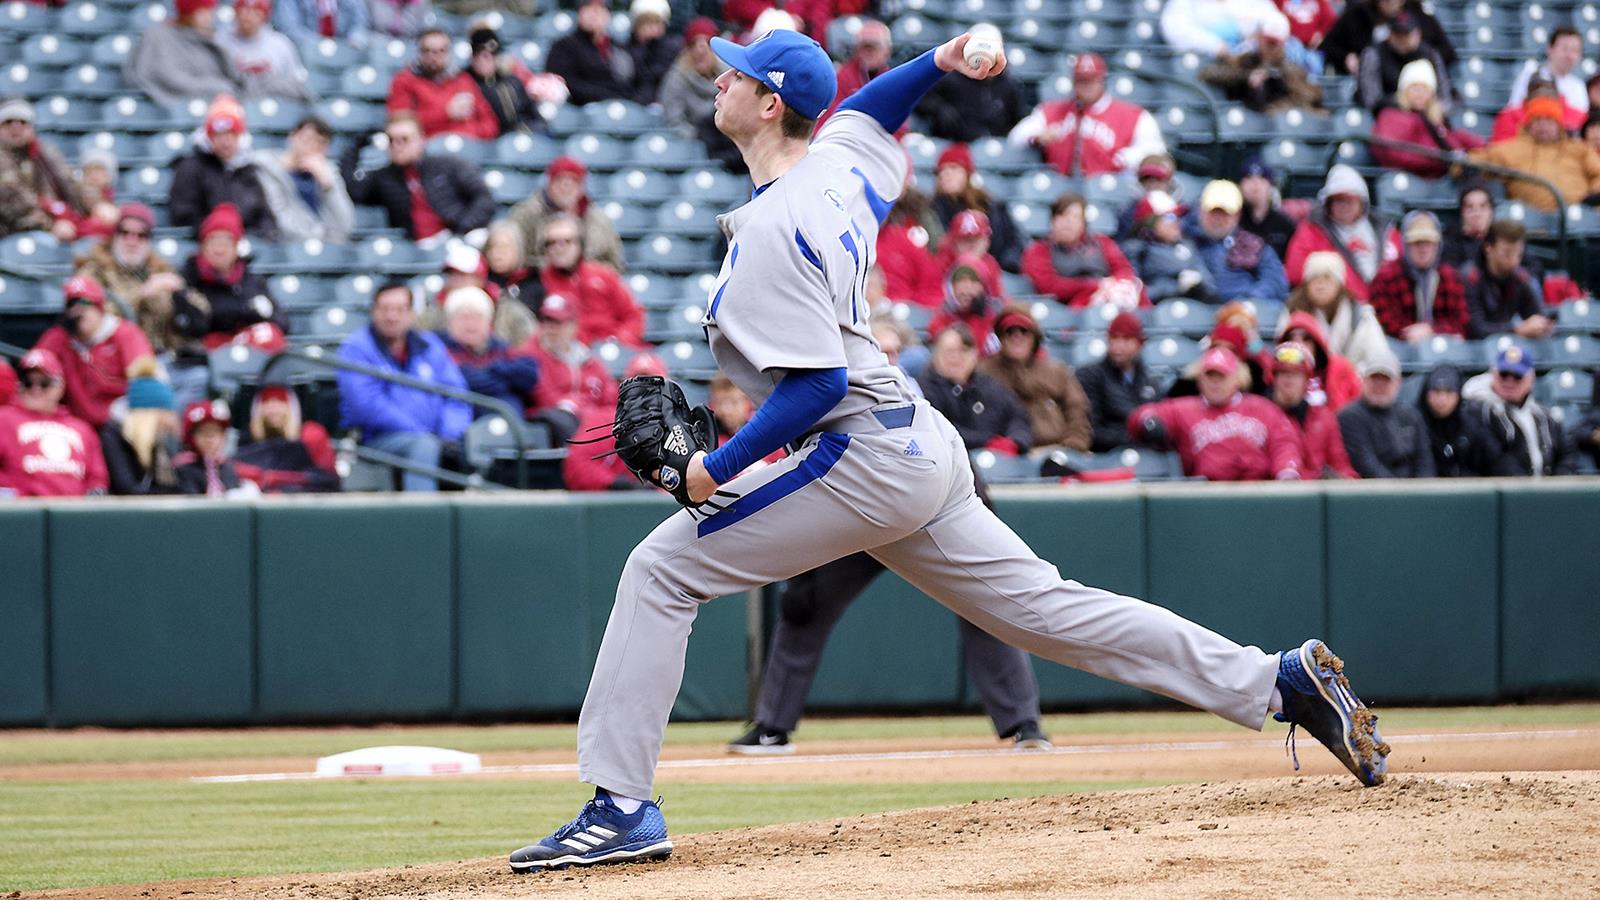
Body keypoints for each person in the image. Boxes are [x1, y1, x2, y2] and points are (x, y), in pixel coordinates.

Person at [508, 29, 1390, 873]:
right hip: (913, 439)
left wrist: (712, 468)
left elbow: (812, 388)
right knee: (1046, 611)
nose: (721, 79)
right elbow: (870, 108)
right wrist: (943, 58)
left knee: (660, 571)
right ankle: (1277, 684)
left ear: (771, 105)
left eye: (738, 74)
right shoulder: (837, 167)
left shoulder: (778, 225)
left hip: (858, 450)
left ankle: (619, 808)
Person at [337, 280, 471, 491]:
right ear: (373, 311)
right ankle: (422, 520)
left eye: (399, 310)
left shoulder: (429, 345)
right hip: (378, 441)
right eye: (385, 309)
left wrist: (449, 434)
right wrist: (422, 434)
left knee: (475, 445)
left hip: (438, 437)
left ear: (410, 313)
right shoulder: (357, 348)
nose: (392, 317)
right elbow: (367, 405)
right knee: (423, 446)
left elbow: (456, 394)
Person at [1129, 346, 1303, 480]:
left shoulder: (1262, 408)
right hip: (1208, 496)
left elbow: (1284, 443)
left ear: (1236, 379)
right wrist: (1147, 420)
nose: (1215, 383)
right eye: (1210, 376)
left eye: (1221, 376)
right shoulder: (1184, 409)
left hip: (1258, 491)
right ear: (1200, 380)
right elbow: (1144, 414)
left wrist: (1286, 471)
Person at [342, 111, 497, 241]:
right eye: (391, 140)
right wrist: (358, 144)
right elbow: (354, 189)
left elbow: (484, 199)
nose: (397, 146)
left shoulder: (447, 165)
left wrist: (462, 229)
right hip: (415, 249)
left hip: (457, 238)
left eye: (404, 139)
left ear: (421, 139)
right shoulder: (385, 177)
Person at [1007, 52, 1167, 177]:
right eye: (1081, 80)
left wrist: (1126, 157)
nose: (1085, 86)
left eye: (1091, 80)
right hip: (1062, 187)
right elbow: (1015, 138)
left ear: (1102, 80)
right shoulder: (1051, 111)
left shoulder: (1133, 115)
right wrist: (1038, 136)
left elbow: (1157, 151)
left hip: (1111, 188)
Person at [31, 275, 156, 430]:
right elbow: (32, 370)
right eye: (72, 304)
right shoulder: (59, 339)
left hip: (118, 422)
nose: (79, 310)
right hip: (75, 424)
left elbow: (147, 382)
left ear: (99, 308)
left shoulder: (124, 333)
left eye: (85, 303)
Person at [173, 203, 284, 351]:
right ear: (202, 246)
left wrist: (266, 313)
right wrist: (248, 311)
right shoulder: (189, 277)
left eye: (226, 242)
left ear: (237, 247)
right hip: (208, 355)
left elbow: (283, 323)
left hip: (253, 351)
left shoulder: (252, 280)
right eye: (212, 241)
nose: (219, 249)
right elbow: (200, 323)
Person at [979, 306, 1092, 452]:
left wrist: (1075, 442)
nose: (1017, 337)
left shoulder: (1056, 370)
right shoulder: (985, 372)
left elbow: (1077, 408)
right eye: (1009, 331)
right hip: (1008, 451)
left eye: (1024, 331)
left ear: (1034, 338)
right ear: (1001, 338)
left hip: (1058, 447)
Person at [0, 349, 109, 498]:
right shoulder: (4, 419)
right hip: (21, 514)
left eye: (44, 383)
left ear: (60, 387)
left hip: (72, 514)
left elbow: (97, 479)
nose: (35, 389)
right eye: (27, 382)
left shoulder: (82, 429)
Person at [1283, 164, 1399, 300]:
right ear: (1328, 204)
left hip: (1386, 307)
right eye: (1338, 200)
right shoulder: (1311, 230)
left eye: (1350, 200)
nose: (1344, 206)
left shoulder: (1385, 230)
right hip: (1335, 306)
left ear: (1362, 202)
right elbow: (1295, 272)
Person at [169, 99, 279, 241]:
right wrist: (215, 230)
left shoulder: (247, 169)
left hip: (244, 242)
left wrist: (266, 233)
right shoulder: (191, 167)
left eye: (230, 134)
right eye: (218, 134)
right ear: (209, 137)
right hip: (207, 242)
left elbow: (263, 212)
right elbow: (183, 214)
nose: (225, 141)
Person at [1461, 345, 1578, 477]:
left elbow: (1567, 452)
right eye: (1504, 374)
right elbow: (1496, 459)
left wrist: (1561, 481)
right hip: (1506, 491)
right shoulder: (1480, 412)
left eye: (1517, 376)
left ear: (1531, 380)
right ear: (1493, 375)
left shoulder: (1542, 416)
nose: (1509, 381)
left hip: (1547, 492)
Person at [1467, 96, 1600, 212]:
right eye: (1537, 119)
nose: (1543, 125)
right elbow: (1476, 160)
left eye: (1549, 119)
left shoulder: (1578, 149)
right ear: (1529, 124)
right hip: (1530, 220)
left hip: (1579, 214)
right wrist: (1462, 166)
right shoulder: (1509, 149)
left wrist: (1592, 198)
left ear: (1558, 124)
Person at [918, 324, 1032, 455]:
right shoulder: (926, 389)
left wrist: (1015, 442)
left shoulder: (988, 383)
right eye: (949, 351)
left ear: (975, 354)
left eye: (963, 350)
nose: (956, 357)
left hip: (998, 460)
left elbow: (1018, 416)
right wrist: (988, 442)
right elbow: (941, 429)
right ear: (936, 354)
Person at [563, 352, 668, 491]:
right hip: (611, 504)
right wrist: (618, 483)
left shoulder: (676, 425)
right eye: (637, 382)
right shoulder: (604, 420)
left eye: (651, 382)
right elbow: (577, 465)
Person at [539, 214, 645, 347]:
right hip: (566, 353)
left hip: (612, 349)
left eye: (566, 241)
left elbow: (633, 316)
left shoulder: (604, 275)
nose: (559, 248)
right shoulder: (538, 282)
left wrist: (620, 340)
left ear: (580, 244)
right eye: (551, 243)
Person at [1022, 192, 1142, 308]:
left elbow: (1124, 269)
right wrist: (1095, 285)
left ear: (1083, 224)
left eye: (1075, 217)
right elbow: (1049, 285)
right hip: (1064, 308)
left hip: (1108, 299)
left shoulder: (1102, 242)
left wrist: (1113, 284)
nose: (1068, 222)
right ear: (1052, 221)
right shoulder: (1038, 250)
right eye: (1063, 215)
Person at [508, 155, 626, 273]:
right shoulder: (527, 215)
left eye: (573, 182)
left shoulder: (598, 220)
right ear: (549, 184)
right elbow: (513, 258)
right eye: (560, 181)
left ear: (581, 187)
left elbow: (615, 264)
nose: (565, 187)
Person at [0, 98, 96, 241]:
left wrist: (97, 205)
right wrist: (51, 225)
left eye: (22, 122)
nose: (16, 127)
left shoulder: (44, 152)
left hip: (51, 224)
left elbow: (71, 182)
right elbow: (14, 202)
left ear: (32, 127)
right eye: (8, 122)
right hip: (12, 233)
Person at [437, 285, 541, 415]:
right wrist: (506, 381)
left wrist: (492, 370)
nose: (471, 324)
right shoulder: (439, 349)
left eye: (477, 317)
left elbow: (529, 374)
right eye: (463, 317)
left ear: (489, 323)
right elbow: (461, 380)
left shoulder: (500, 347)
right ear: (450, 323)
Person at [1371, 59, 1485, 179]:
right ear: (1403, 91)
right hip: (1410, 179)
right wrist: (1441, 159)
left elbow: (1452, 138)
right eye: (1414, 88)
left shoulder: (1432, 118)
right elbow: (1394, 152)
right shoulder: (1392, 115)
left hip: (1437, 177)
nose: (1420, 93)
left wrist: (1481, 148)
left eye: (1425, 88)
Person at [251, 115, 355, 244]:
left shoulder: (327, 173)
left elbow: (346, 226)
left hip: (327, 251)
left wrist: (329, 186)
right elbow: (280, 218)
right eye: (307, 140)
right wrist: (318, 238)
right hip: (286, 248)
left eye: (320, 144)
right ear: (293, 136)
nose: (311, 147)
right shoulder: (267, 169)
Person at [526, 293, 615, 443]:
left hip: (589, 424)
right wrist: (581, 408)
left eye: (558, 323)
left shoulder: (588, 360)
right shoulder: (530, 356)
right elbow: (547, 399)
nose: (551, 329)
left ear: (573, 325)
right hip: (552, 431)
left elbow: (610, 398)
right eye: (547, 321)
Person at [1368, 211, 1469, 342]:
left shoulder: (1451, 277)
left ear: (1438, 245)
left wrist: (1431, 330)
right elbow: (1384, 321)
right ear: (1405, 244)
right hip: (1398, 350)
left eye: (1428, 242)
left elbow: (1461, 323)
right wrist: (1412, 333)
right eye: (1416, 242)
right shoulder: (1386, 276)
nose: (1423, 249)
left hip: (1445, 353)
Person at [1276, 251, 1387, 371]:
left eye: (1327, 278)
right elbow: (1282, 353)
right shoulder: (1293, 309)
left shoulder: (1360, 314)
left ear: (1339, 284)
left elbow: (1378, 355)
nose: (1320, 285)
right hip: (1303, 378)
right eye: (1315, 278)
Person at [387, 28, 500, 140]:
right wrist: (446, 113)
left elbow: (490, 122)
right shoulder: (405, 81)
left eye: (441, 51)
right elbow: (399, 125)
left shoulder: (462, 79)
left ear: (448, 52)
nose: (434, 56)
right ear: (419, 52)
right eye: (428, 50)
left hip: (467, 148)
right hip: (427, 149)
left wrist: (470, 136)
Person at [124, 0, 243, 107]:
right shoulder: (159, 35)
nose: (209, 18)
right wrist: (217, 87)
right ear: (188, 15)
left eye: (210, 13)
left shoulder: (208, 39)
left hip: (210, 100)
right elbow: (167, 76)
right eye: (202, 13)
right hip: (172, 104)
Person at [1189, 179, 1290, 303]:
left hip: (1242, 311)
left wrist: (1249, 301)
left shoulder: (1253, 245)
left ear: (1237, 215)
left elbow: (1275, 281)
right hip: (1195, 312)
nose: (1218, 219)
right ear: (1201, 211)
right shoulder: (1184, 240)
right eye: (1213, 212)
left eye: (1225, 214)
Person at [1266, 340, 1356, 478]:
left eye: (1296, 373)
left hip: (1314, 493)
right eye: (1282, 372)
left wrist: (1350, 483)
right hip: (1274, 492)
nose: (1288, 378)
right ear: (1274, 378)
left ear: (1306, 380)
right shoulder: (1261, 415)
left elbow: (1340, 462)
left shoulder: (1323, 417)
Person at [1335, 351, 1433, 478]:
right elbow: (1366, 464)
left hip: (1412, 490)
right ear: (1363, 380)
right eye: (1374, 378)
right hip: (1373, 493)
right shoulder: (1349, 416)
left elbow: (1424, 461)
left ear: (1398, 383)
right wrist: (1402, 494)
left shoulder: (1411, 415)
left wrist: (1423, 490)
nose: (1379, 385)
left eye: (1386, 379)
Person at [1201, 11, 1322, 113]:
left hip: (1276, 124)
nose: (1270, 47)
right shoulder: (1244, 60)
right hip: (1244, 120)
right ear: (1259, 38)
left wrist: (1283, 81)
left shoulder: (1293, 70)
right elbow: (1208, 73)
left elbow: (1312, 97)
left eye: (1275, 43)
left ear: (1284, 44)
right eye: (1267, 41)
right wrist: (1247, 77)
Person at [928, 145, 1022, 274]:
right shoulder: (931, 209)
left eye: (953, 168)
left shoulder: (992, 205)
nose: (946, 174)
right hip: (950, 273)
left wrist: (1002, 267)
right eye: (941, 171)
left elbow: (1014, 242)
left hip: (994, 271)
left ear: (968, 173)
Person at [100, 359, 185, 495]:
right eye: (165, 413)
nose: (169, 422)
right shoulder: (113, 435)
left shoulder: (158, 441)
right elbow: (126, 487)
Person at [235, 382, 340, 492]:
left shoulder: (311, 434)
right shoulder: (247, 440)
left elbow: (328, 478)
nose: (273, 408)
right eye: (266, 401)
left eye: (280, 400)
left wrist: (274, 478)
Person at [1079, 311, 1161, 451]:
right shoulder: (1091, 375)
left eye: (1126, 339)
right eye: (1114, 338)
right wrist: (1134, 437)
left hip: (1145, 453)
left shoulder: (1150, 379)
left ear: (1139, 344)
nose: (1119, 346)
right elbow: (1092, 430)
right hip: (1105, 455)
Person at [1459, 220, 1554, 341]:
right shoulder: (1469, 278)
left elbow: (1537, 315)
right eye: (1506, 253)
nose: (1514, 260)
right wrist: (1516, 330)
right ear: (1488, 248)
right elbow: (1475, 329)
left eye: (1518, 254)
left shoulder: (1520, 278)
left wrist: (1541, 326)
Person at [1123, 191, 1217, 304]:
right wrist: (1176, 287)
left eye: (1178, 217)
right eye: (1170, 217)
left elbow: (1211, 286)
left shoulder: (1187, 245)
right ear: (1150, 222)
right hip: (1156, 312)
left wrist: (1199, 282)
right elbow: (1134, 294)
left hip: (1194, 308)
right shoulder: (1137, 249)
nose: (1176, 222)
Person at [1321, 0, 1454, 78]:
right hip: (1371, 80)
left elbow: (1447, 52)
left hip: (1413, 82)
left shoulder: (1419, 16)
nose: (1389, 3)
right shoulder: (1357, 15)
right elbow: (1328, 45)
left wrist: (1419, 49)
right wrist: (1346, 56)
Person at [1355, 10, 1453, 114]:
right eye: (1398, 34)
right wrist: (1403, 102)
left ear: (1417, 34)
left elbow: (1445, 98)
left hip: (1427, 115)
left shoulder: (1430, 54)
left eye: (1406, 34)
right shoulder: (1374, 54)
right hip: (1388, 116)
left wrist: (1429, 107)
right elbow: (1371, 99)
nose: (1402, 39)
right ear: (1390, 34)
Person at [216, 0, 315, 102]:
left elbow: (296, 82)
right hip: (236, 103)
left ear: (264, 16)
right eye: (244, 10)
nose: (248, 16)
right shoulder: (220, 42)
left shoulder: (281, 44)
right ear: (235, 13)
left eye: (255, 12)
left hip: (275, 103)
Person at [546, 0, 637, 107]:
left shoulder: (618, 47)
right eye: (588, 9)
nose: (594, 14)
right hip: (579, 110)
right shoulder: (564, 46)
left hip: (617, 106)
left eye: (599, 10)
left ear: (607, 15)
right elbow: (565, 83)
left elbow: (631, 82)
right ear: (580, 13)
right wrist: (606, 95)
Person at [815, 19, 894, 132]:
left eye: (874, 47)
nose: (868, 53)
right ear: (857, 49)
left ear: (887, 51)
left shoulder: (892, 79)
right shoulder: (843, 76)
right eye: (864, 47)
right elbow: (831, 118)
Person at [1414, 364, 1490, 477]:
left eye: (1449, 392)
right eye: (1436, 391)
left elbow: (1493, 462)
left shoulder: (1473, 424)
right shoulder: (1413, 424)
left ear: (1458, 395)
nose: (1442, 399)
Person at [1276, 309, 1361, 411]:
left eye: (1306, 338)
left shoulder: (1340, 368)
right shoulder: (1278, 373)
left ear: (1316, 343)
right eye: (1290, 338)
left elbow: (1359, 404)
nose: (1298, 343)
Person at [875, 184, 944, 306]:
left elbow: (931, 288)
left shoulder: (904, 240)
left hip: (900, 313)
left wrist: (908, 307)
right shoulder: (848, 239)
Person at [466, 26, 542, 137]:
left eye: (491, 55)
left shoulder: (512, 81)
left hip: (521, 135)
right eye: (479, 54)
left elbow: (534, 116)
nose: (484, 60)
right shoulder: (464, 83)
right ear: (472, 56)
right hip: (489, 141)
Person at [173, 399, 258, 496]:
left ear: (223, 437)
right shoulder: (183, 469)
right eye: (203, 432)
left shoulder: (228, 468)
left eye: (215, 432)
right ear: (192, 437)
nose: (210, 439)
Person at [658, 18, 724, 138]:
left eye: (708, 44)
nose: (700, 50)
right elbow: (674, 122)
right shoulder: (676, 79)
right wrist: (701, 137)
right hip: (693, 143)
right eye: (693, 44)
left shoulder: (728, 76)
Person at [926, 257, 1003, 353]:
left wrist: (978, 315)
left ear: (984, 288)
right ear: (951, 286)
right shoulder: (942, 317)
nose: (966, 288)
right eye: (960, 281)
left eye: (974, 281)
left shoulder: (997, 318)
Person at [1507, 26, 1590, 115]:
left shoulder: (1578, 86)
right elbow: (1513, 111)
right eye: (1565, 49)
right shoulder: (1529, 76)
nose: (1569, 56)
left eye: (1575, 50)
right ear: (1550, 49)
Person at [1159, 0, 1283, 58]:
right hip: (1204, 64)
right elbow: (1174, 29)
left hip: (1252, 63)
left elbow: (1273, 19)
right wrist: (1217, 46)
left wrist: (1263, 34)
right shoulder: (1185, 3)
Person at [1237, 157, 1296, 262]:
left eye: (1261, 179)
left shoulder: (1284, 225)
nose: (1255, 185)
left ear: (1270, 185)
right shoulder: (1234, 221)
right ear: (1240, 186)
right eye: (1249, 178)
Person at [625, 0, 680, 107]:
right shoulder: (625, 50)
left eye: (656, 22)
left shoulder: (670, 51)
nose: (651, 27)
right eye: (646, 22)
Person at [483, 220, 544, 313]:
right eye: (491, 247)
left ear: (518, 250)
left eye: (504, 248)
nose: (496, 254)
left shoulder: (533, 282)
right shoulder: (481, 281)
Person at [1440, 182, 1496, 270]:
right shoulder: (1449, 244)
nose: (1477, 213)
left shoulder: (1501, 243)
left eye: (1483, 206)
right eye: (1470, 207)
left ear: (1491, 211)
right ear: (1462, 212)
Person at [272, 0, 372, 47]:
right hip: (305, 52)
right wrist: (320, 44)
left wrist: (355, 38)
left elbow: (361, 22)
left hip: (345, 49)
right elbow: (289, 28)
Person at [368, 0, 437, 42]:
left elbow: (426, 31)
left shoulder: (421, 2)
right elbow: (363, 27)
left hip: (410, 46)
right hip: (378, 46)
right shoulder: (373, 2)